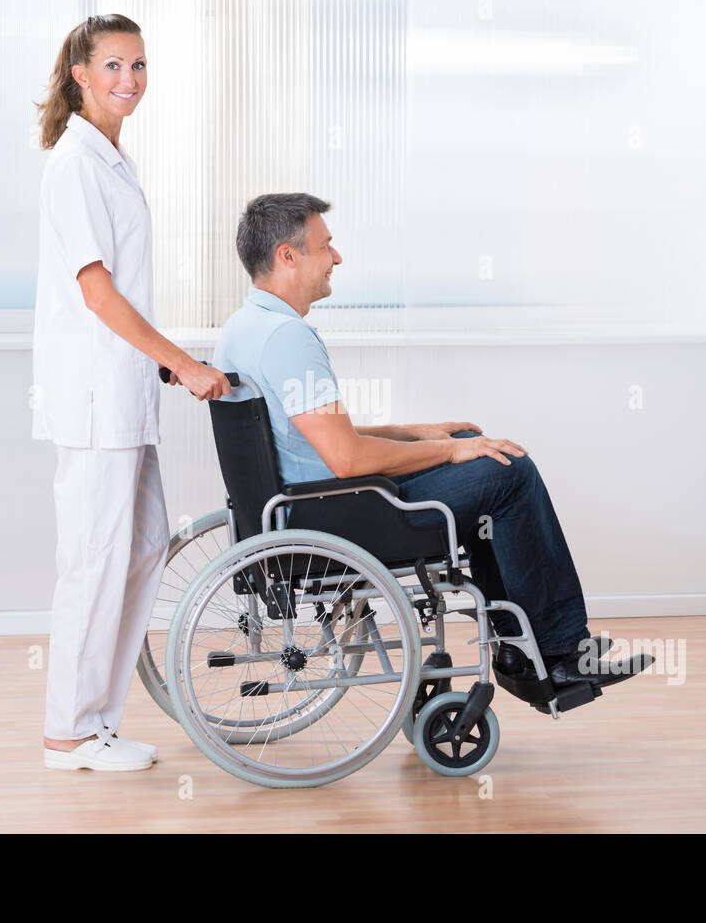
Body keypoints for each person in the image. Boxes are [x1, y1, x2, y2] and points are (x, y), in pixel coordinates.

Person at [212, 193, 650, 704]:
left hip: (300, 507)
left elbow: (310, 436)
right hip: (336, 516)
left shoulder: (246, 328)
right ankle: (554, 653)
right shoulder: (289, 337)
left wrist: (418, 432)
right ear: (289, 255)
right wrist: (449, 455)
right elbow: (347, 459)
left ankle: (524, 649)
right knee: (507, 468)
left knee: (471, 445)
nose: (337, 258)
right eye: (325, 246)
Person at [32, 14, 231, 772]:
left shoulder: (114, 158)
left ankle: (97, 721)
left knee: (142, 546)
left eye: (140, 65)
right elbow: (97, 292)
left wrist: (160, 366)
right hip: (92, 397)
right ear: (81, 74)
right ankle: (68, 732)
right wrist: (182, 362)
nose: (130, 79)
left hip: (121, 393)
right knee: (94, 559)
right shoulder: (75, 164)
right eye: (114, 65)